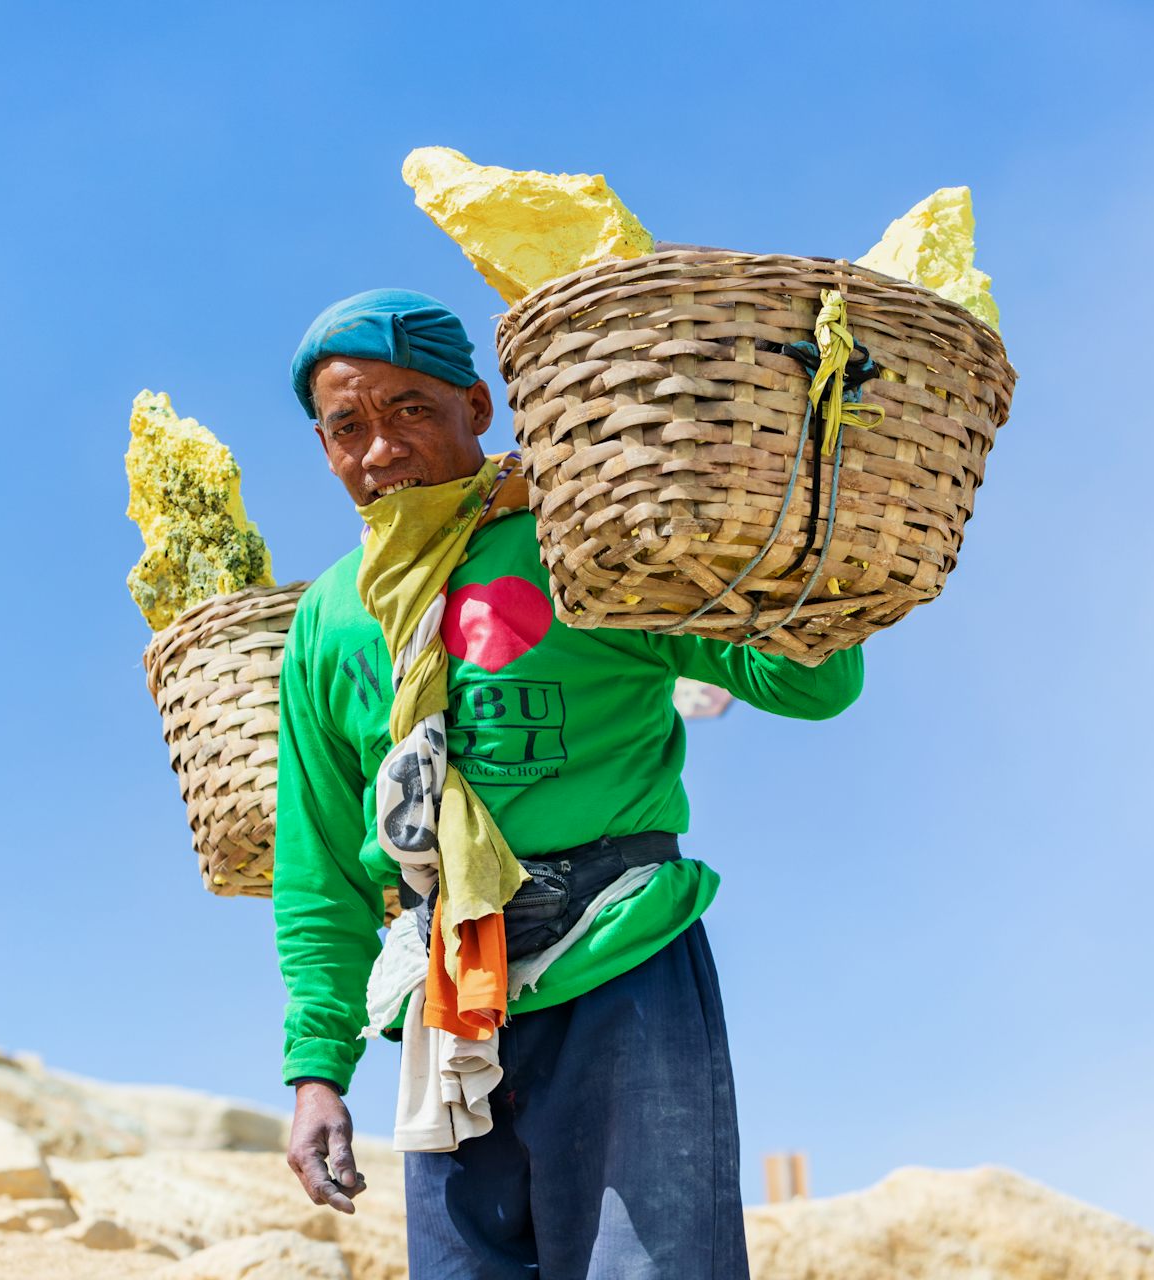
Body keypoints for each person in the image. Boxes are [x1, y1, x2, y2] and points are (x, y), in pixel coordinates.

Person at [272, 288, 862, 1278]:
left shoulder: (584, 541)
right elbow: (321, 869)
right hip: (451, 999)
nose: (379, 450)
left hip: (621, 964)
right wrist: (316, 1070)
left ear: (478, 407)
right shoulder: (331, 622)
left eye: (411, 409)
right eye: (347, 426)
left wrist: (796, 519)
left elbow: (809, 682)